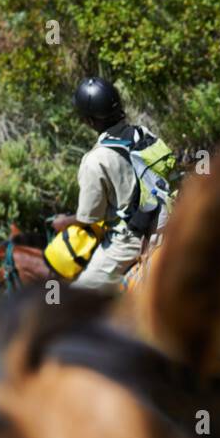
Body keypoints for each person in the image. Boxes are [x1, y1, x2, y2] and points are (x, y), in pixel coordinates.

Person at [56, 77, 177, 292]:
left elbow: (91, 218)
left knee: (80, 293)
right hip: (172, 214)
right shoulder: (142, 133)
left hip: (135, 235)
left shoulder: (95, 160)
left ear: (89, 121)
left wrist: (65, 221)